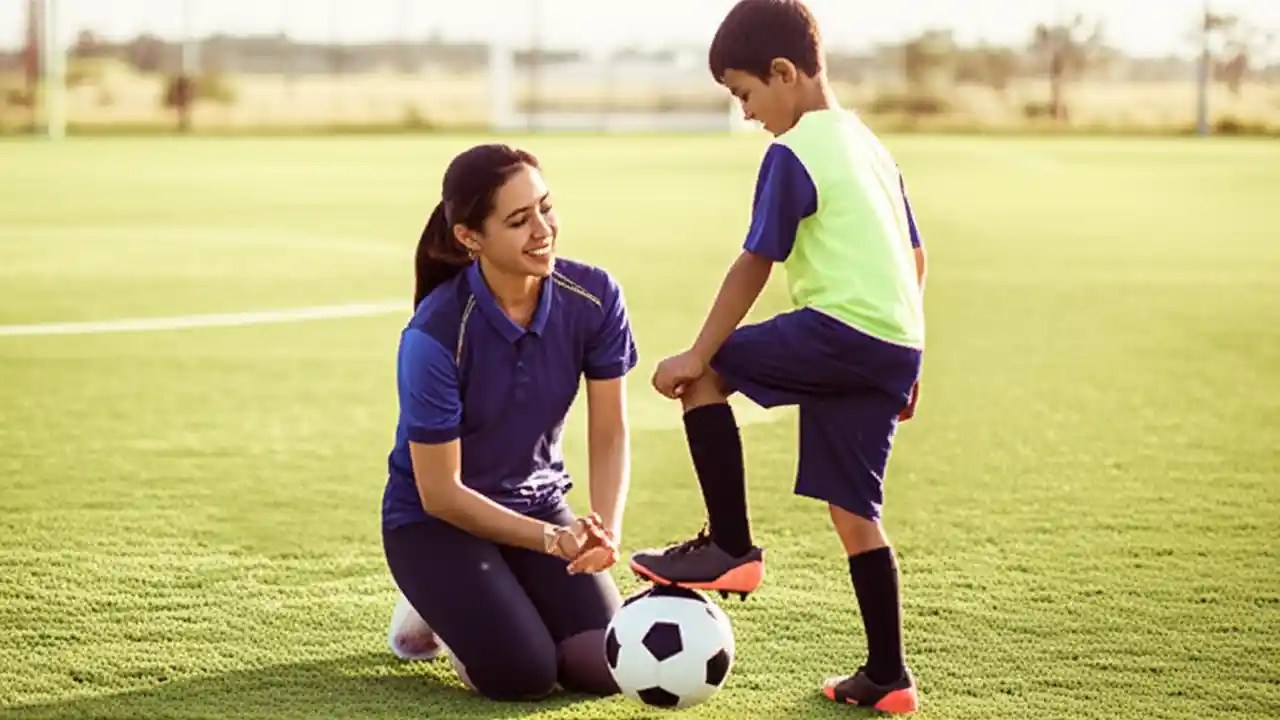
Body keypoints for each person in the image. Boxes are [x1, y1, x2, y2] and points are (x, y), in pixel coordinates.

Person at [628, 0, 928, 713]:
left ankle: (731, 547)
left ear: (784, 73)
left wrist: (697, 354)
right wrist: (912, 361)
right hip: (891, 343)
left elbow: (756, 262)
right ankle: (889, 678)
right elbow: (916, 256)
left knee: (706, 377)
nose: (747, 114)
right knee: (854, 514)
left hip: (842, 332)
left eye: (745, 95)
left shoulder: (794, 152)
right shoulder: (868, 144)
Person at [381, 143, 639, 701]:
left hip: (537, 505)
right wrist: (552, 541)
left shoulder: (594, 297)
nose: (542, 230)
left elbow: (611, 430)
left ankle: (497, 592)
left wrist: (605, 528)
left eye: (546, 208)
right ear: (470, 238)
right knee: (523, 674)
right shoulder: (434, 335)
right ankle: (436, 604)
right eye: (519, 220)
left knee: (603, 668)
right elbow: (441, 493)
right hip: (435, 526)